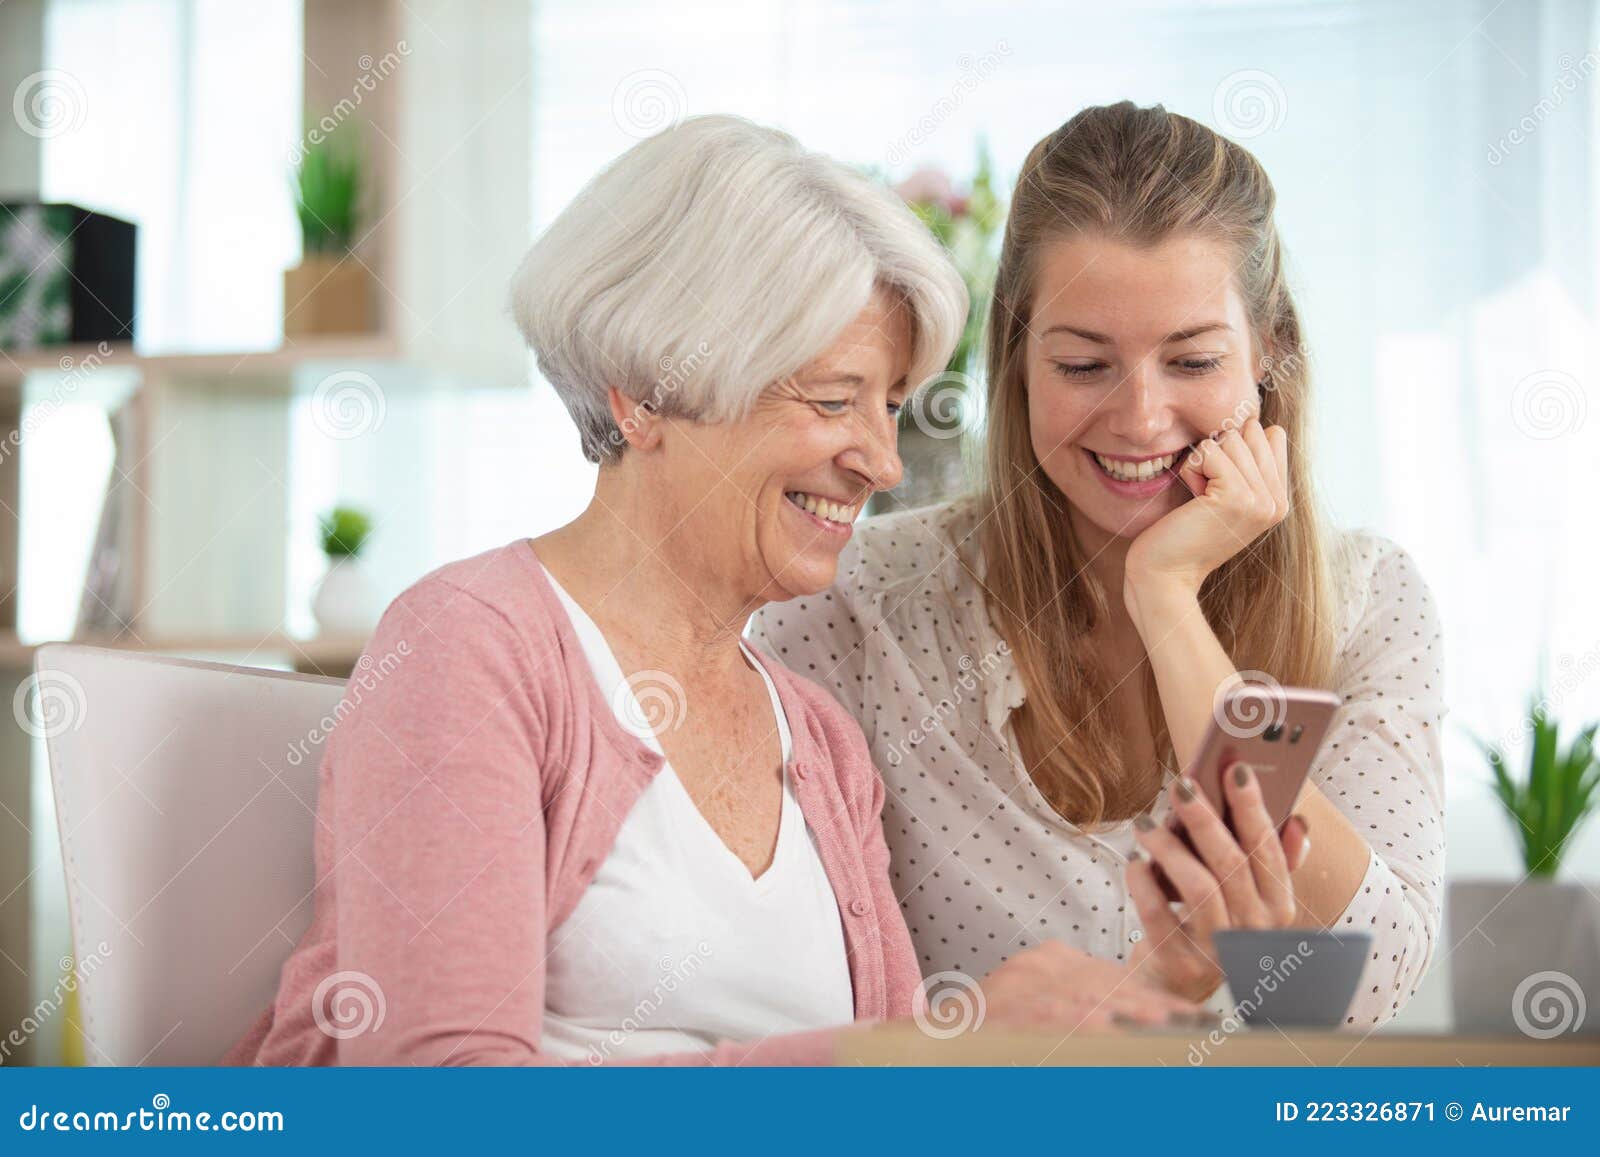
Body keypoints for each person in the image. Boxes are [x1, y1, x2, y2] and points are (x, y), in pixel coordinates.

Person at [223, 114, 1201, 1067]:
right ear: (642, 391)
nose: (882, 460)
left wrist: (1146, 990)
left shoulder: (817, 738)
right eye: (832, 398)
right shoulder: (470, 646)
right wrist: (904, 1055)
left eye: (892, 405)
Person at [752, 102, 1446, 1027]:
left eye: (1192, 360)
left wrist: (1167, 599)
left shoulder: (1369, 599)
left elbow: (1358, 989)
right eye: (1085, 365)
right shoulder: (856, 603)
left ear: (1267, 349)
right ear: (1019, 358)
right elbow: (793, 1024)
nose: (1142, 419)